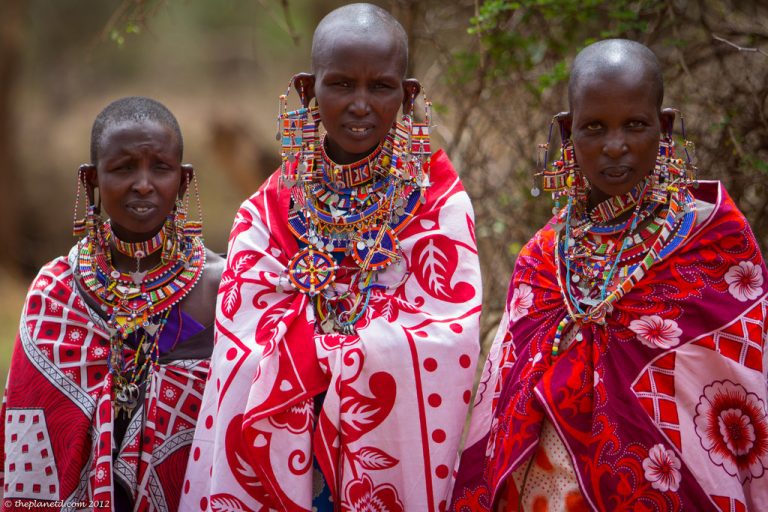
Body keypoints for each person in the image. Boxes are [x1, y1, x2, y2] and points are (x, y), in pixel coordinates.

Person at [181, 3, 481, 511]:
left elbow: (445, 336)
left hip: (382, 443)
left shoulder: (438, 202)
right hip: (286, 434)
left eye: (380, 87)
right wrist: (335, 353)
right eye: (341, 84)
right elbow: (242, 333)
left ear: (408, 95)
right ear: (307, 91)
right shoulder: (267, 209)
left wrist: (322, 352)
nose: (360, 104)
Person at [451, 39, 768, 511]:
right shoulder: (544, 256)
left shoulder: (711, 242)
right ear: (567, 132)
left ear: (664, 127)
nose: (615, 146)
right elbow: (504, 402)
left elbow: (745, 394)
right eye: (594, 127)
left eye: (635, 125)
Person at [0, 96, 224, 511]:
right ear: (91, 180)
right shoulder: (56, 291)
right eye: (123, 168)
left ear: (184, 180)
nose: (143, 184)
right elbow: (30, 432)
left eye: (161, 167)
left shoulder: (220, 287)